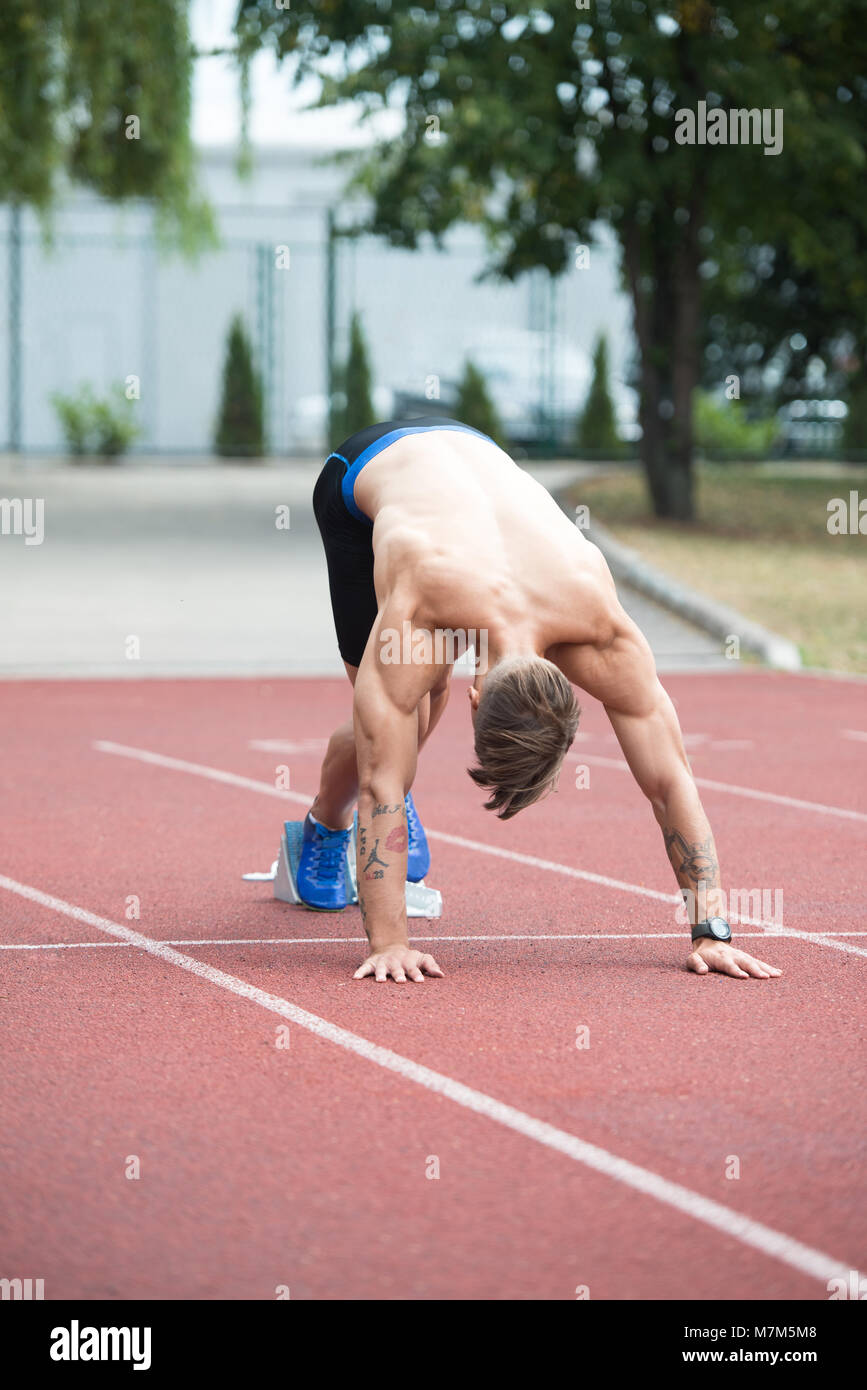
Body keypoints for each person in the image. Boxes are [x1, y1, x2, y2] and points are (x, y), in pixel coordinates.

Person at [303, 416, 782, 986]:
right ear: (477, 698)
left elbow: (669, 779)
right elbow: (377, 781)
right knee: (401, 723)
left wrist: (712, 929)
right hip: (359, 479)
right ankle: (323, 825)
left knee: (401, 727)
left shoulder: (599, 625)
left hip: (470, 455)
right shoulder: (419, 616)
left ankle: (386, 788)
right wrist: (390, 943)